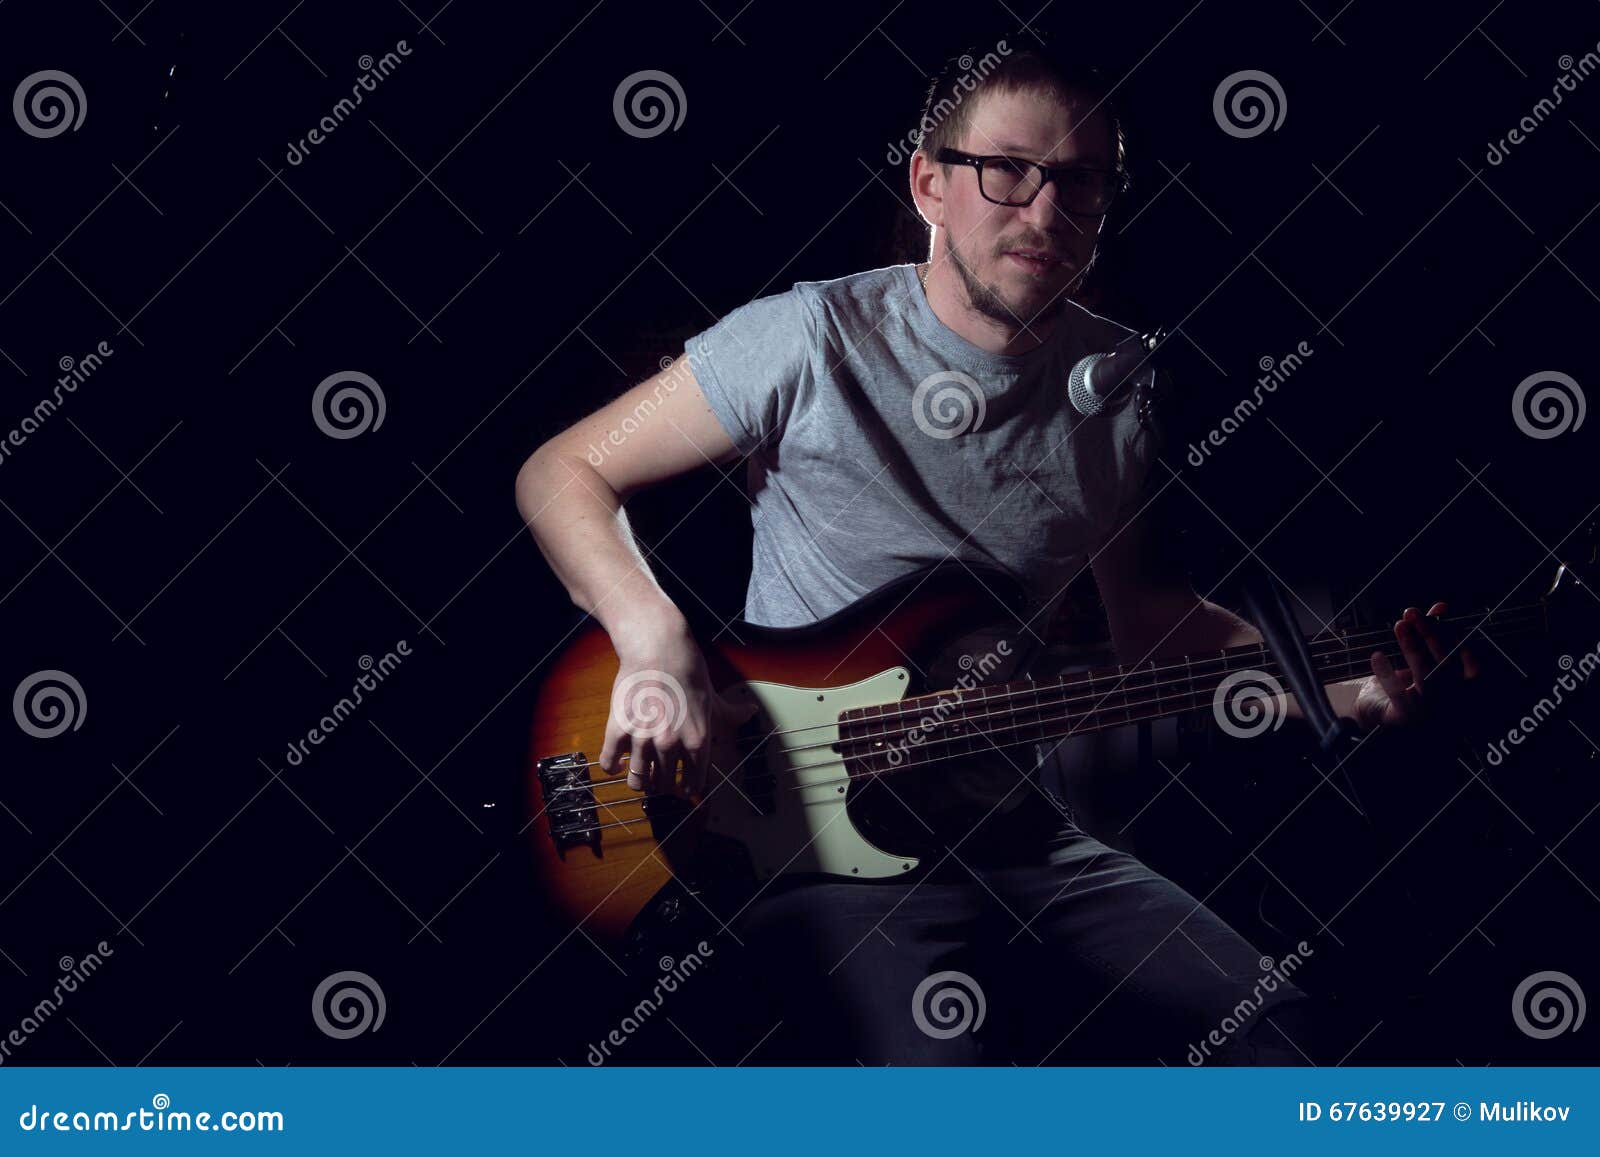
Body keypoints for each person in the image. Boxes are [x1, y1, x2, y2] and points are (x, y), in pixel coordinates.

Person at [514, 38, 1478, 1064]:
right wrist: (655, 645)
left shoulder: (1114, 391)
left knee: (1291, 1037)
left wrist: (1339, 688)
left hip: (1017, 829)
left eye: (1079, 180)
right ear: (929, 183)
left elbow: (1155, 627)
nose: (1044, 208)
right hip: (797, 842)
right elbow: (562, 471)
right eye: (1006, 170)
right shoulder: (807, 336)